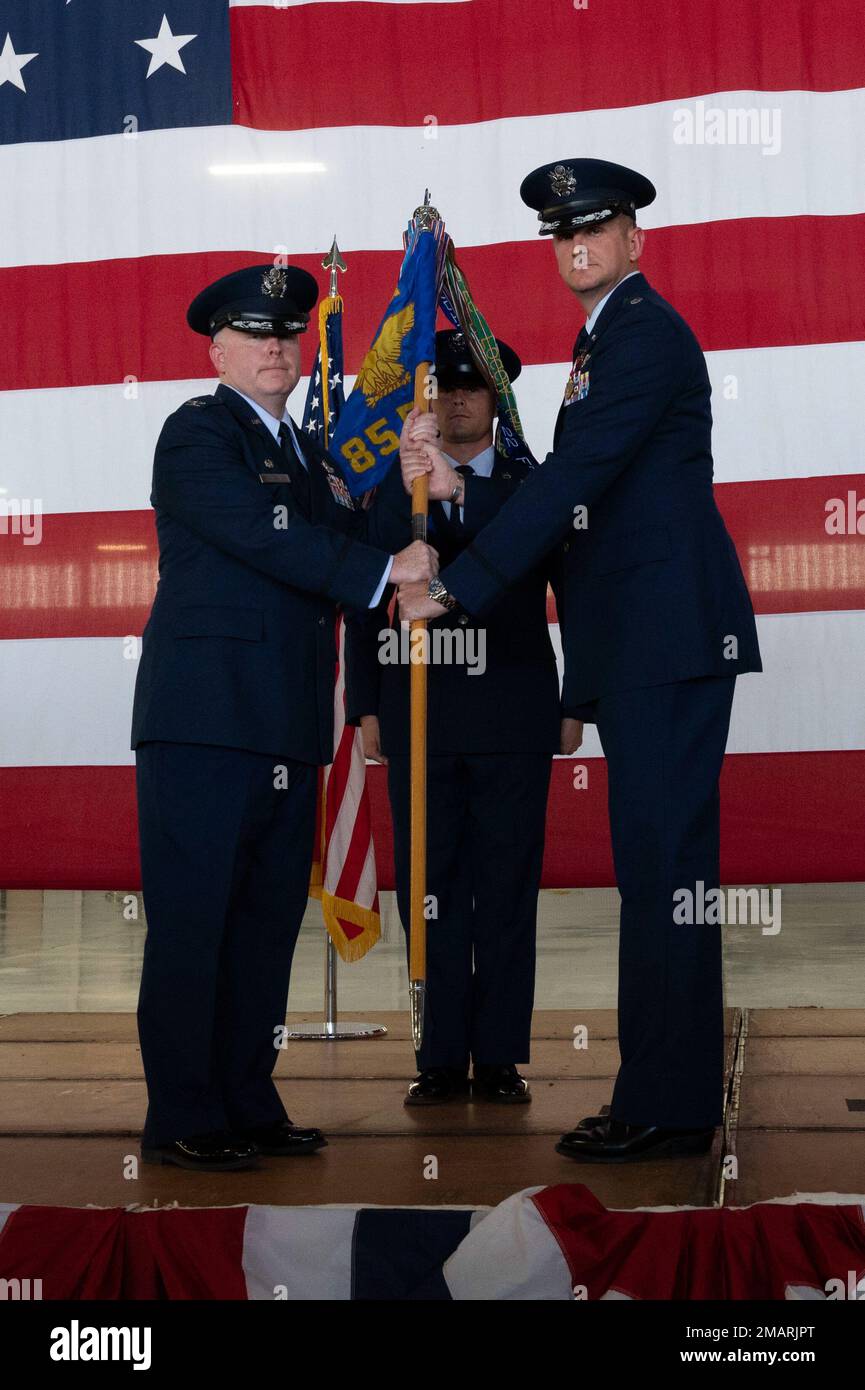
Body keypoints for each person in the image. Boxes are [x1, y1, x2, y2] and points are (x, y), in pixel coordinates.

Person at [397, 160, 762, 1163]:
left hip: (666, 639)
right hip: (645, 643)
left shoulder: (641, 337)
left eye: (594, 228)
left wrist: (455, 586)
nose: (576, 245)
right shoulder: (600, 347)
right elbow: (572, 513)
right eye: (561, 233)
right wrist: (462, 505)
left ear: (634, 240)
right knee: (655, 874)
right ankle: (663, 1089)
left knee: (666, 873)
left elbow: (570, 484)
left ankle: (668, 1102)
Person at [131, 263, 437, 1170]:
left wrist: (421, 472)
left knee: (263, 927)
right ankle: (183, 1115)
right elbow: (271, 540)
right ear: (217, 349)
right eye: (256, 334)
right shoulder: (195, 435)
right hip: (207, 722)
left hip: (284, 723)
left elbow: (341, 542)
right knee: (196, 924)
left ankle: (245, 1100)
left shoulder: (308, 455)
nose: (276, 346)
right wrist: (387, 575)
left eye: (287, 335)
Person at [346, 329, 579, 1106]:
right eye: (441, 389)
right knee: (429, 889)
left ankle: (501, 1055)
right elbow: (364, 600)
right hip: (421, 715)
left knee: (505, 888)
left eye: (471, 388)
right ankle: (441, 1054)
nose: (454, 400)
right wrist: (365, 705)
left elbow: (571, 593)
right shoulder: (392, 486)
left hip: (512, 708)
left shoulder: (529, 483)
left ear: (496, 400)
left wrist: (574, 699)